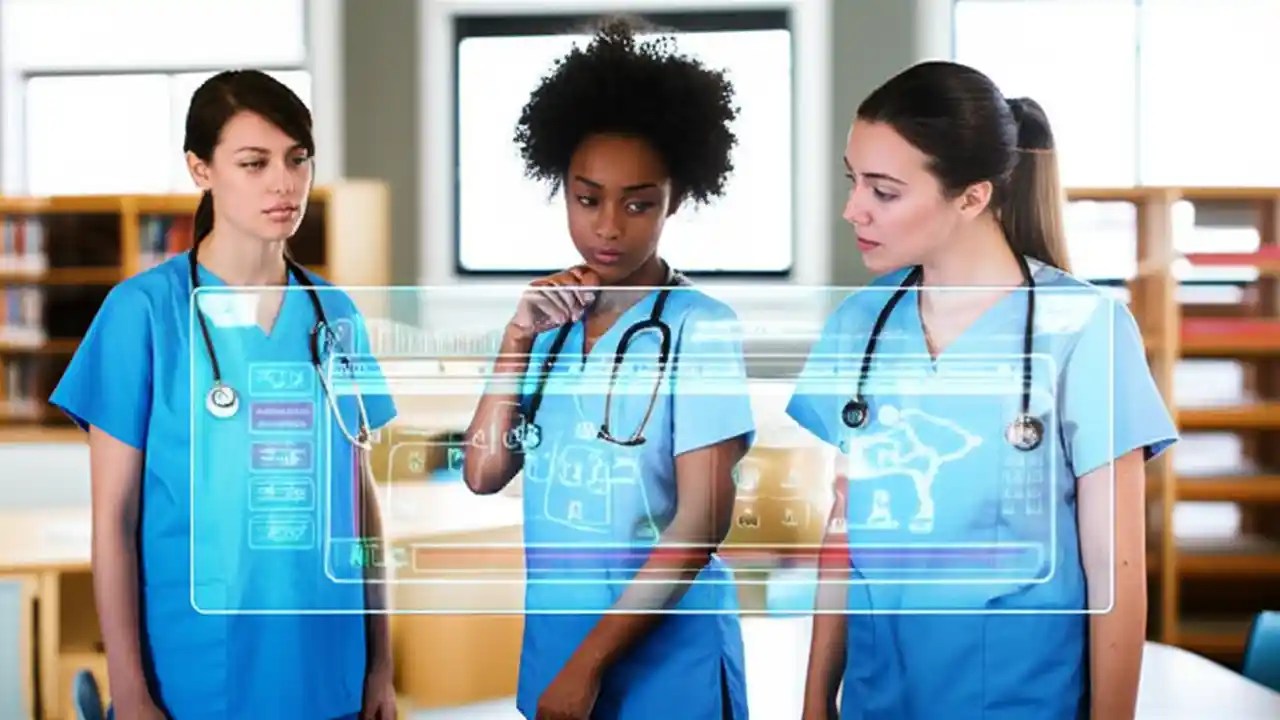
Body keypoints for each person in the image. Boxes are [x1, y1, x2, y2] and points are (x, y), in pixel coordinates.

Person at [786, 60, 1179, 720]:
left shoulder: (1086, 330)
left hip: (1021, 702)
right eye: (853, 181)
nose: (853, 208)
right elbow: (844, 536)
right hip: (880, 699)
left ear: (971, 197)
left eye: (884, 191)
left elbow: (1118, 572)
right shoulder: (859, 325)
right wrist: (815, 701)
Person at [49, 70, 398, 720]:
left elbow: (362, 502)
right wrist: (129, 689)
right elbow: (114, 523)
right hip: (198, 673)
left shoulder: (333, 312)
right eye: (254, 162)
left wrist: (380, 666)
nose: (284, 183)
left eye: (297, 159)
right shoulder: (142, 315)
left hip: (330, 669)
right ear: (200, 169)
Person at [462, 17, 756, 720]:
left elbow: (700, 525)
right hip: (556, 649)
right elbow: (482, 474)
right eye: (587, 198)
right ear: (560, 186)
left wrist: (588, 669)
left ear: (676, 197)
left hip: (665, 664)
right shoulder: (547, 327)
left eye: (639, 202)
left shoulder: (701, 329)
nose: (609, 227)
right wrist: (515, 342)